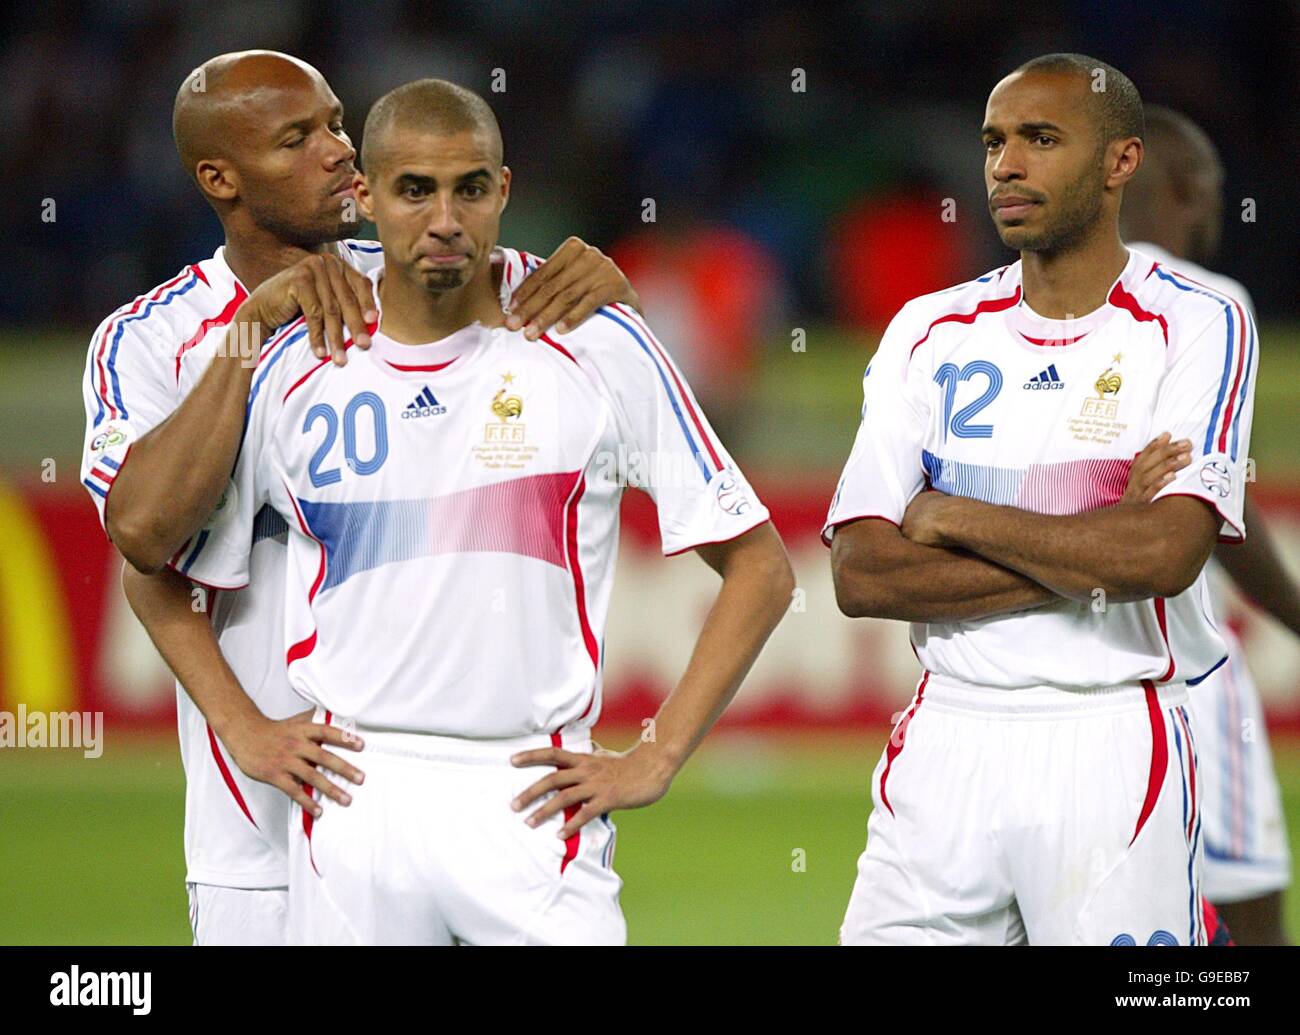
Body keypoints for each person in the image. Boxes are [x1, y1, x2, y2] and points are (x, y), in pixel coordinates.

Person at [170, 77, 794, 945]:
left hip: (531, 795)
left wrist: (657, 752)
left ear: (503, 192)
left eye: (469, 187)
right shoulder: (294, 365)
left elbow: (760, 565)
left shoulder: (594, 340)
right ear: (368, 197)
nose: (444, 218)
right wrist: (240, 727)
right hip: (356, 797)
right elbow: (156, 564)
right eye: (414, 189)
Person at [79, 50, 644, 945]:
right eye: (298, 138)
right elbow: (146, 539)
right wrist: (249, 729)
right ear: (219, 177)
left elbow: (590, 343)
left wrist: (608, 285)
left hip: (440, 810)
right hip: (256, 835)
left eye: (337, 123)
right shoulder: (150, 340)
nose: (338, 151)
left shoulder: (435, 274)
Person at [825, 54, 1256, 945]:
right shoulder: (928, 328)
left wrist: (953, 515)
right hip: (943, 740)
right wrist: (1097, 539)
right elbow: (862, 573)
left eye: (1040, 139)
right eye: (993, 141)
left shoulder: (1197, 320)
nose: (1005, 164)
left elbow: (1164, 557)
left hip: (1107, 739)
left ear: (1120, 162)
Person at [1121, 104, 1295, 944]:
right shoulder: (1210, 301)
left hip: (1048, 677)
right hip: (1179, 655)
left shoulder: (1027, 299)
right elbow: (1219, 505)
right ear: (1188, 187)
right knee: (1247, 898)